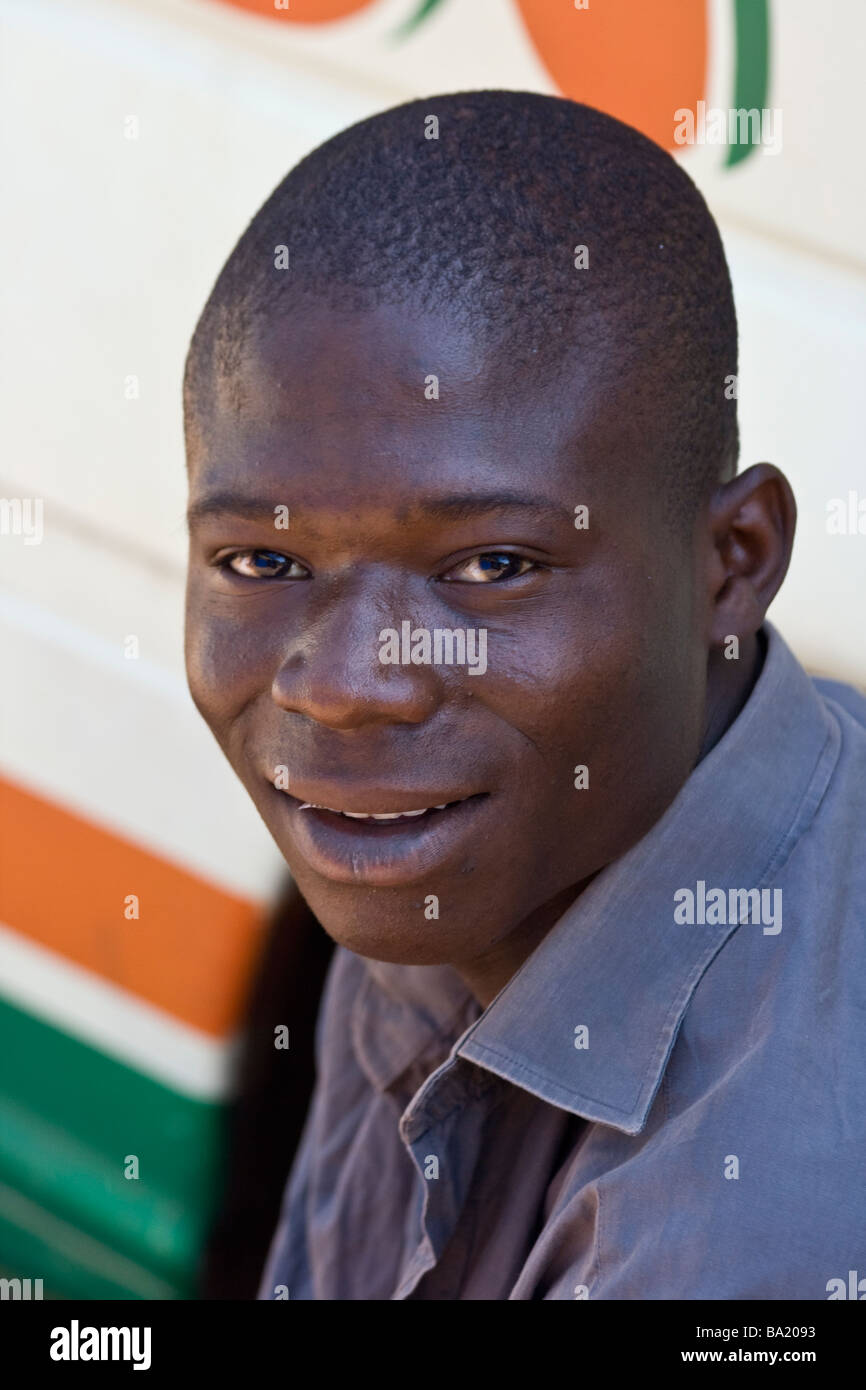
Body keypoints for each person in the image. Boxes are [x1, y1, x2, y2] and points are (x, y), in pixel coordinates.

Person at [182, 91, 866, 1300]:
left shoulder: (758, 1234)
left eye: (490, 567)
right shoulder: (448, 847)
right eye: (264, 562)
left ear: (734, 560)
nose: (345, 688)